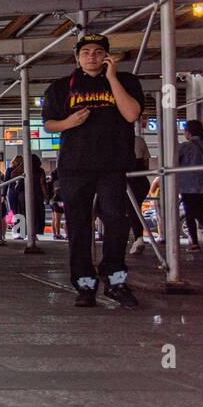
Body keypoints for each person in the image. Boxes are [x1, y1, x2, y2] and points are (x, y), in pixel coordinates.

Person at [41, 33, 145, 307]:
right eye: (86, 52)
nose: (92, 57)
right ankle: (84, 284)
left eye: (98, 52)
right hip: (75, 167)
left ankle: (115, 280)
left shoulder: (127, 82)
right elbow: (49, 123)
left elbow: (132, 114)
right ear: (77, 57)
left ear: (107, 56)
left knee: (116, 221)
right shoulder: (61, 87)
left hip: (112, 165)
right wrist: (69, 122)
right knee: (78, 226)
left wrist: (112, 77)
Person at [178, 118, 203, 252]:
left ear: (188, 132)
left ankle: (195, 243)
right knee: (197, 210)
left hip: (188, 186)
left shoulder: (185, 146)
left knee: (190, 213)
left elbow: (174, 162)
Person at [127, 129, 151, 254]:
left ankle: (138, 238)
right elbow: (146, 165)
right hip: (142, 181)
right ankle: (137, 238)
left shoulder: (113, 139)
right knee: (135, 209)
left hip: (127, 182)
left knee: (130, 210)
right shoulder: (140, 140)